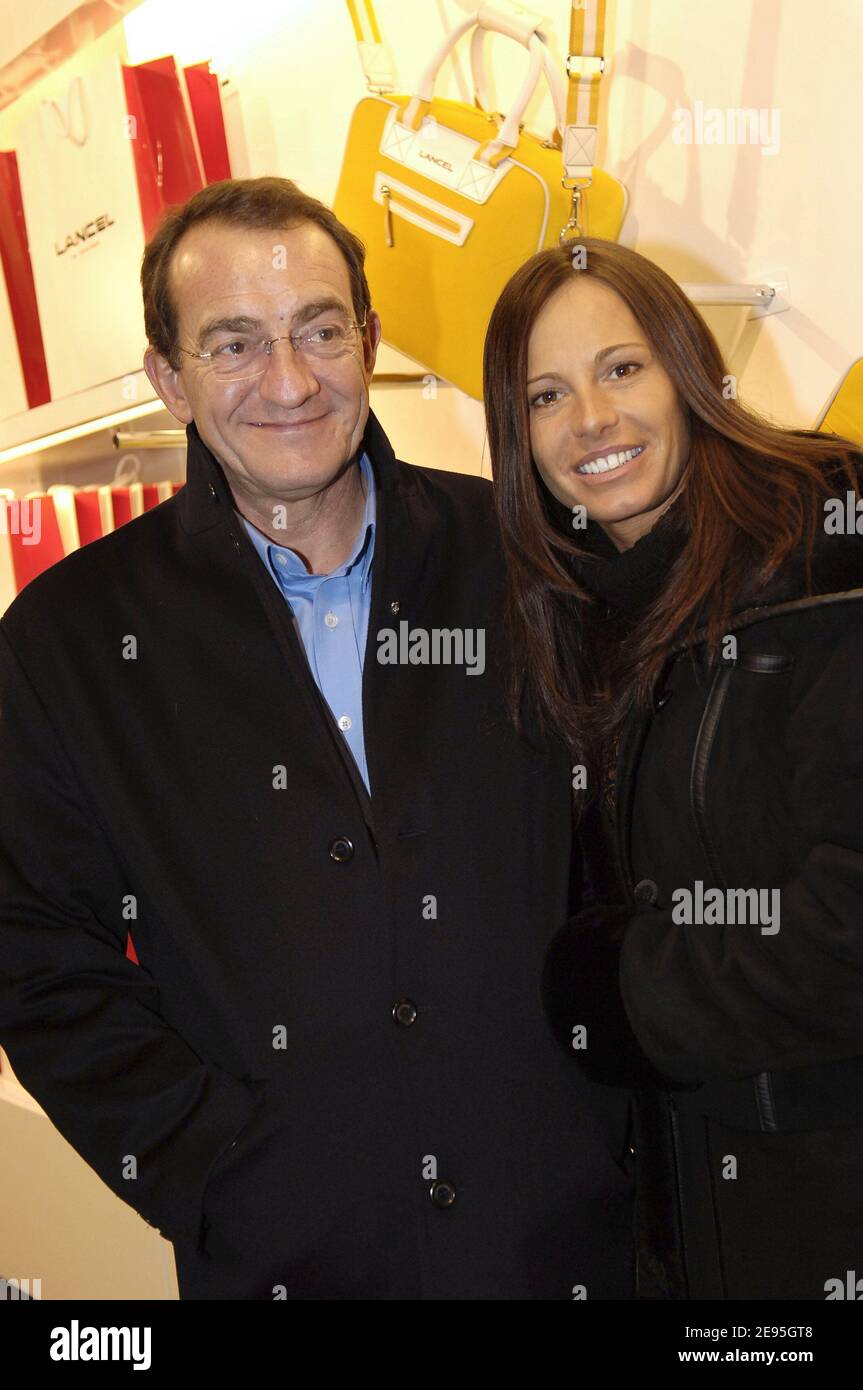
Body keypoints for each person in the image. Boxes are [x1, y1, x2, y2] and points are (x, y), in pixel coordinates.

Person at [0, 181, 635, 1300]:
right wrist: (215, 1168)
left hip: (568, 1239)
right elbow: (36, 955)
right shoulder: (69, 641)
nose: (288, 381)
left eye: (319, 330)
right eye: (234, 342)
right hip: (288, 1262)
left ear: (368, 341)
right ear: (168, 379)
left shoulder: (527, 558)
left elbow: (629, 849)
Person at [483, 235, 863, 1300]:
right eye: (544, 395)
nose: (591, 421)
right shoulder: (592, 611)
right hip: (704, 1222)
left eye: (620, 367)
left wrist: (624, 992)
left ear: (688, 369)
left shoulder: (823, 554)